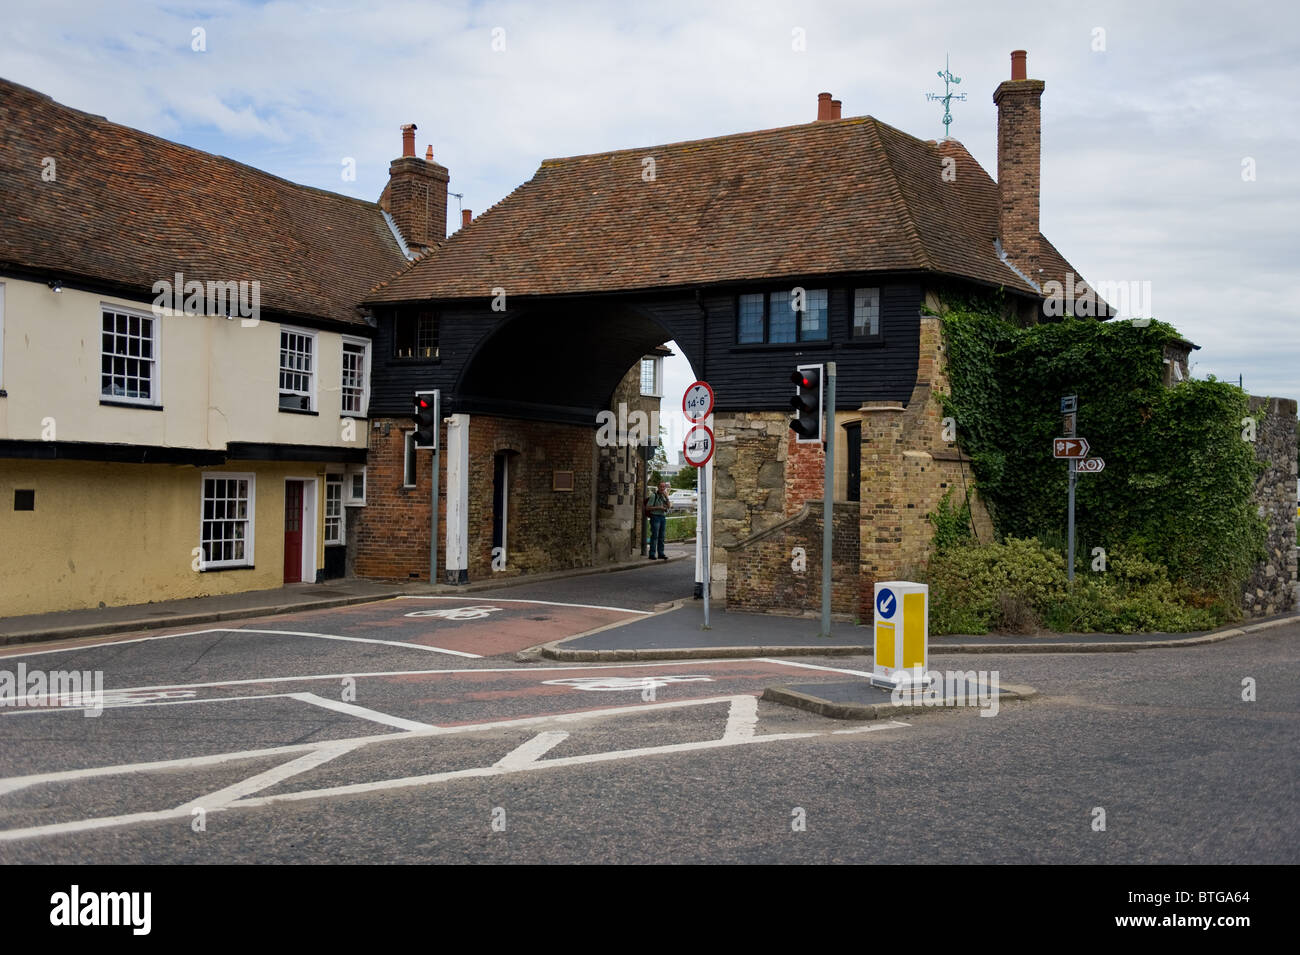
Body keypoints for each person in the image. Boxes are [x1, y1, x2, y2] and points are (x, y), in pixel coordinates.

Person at [645, 481, 671, 559]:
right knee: (655, 536)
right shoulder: (653, 496)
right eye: (661, 487)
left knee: (662, 536)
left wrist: (666, 497)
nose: (662, 488)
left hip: (662, 517)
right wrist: (659, 507)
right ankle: (652, 554)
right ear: (658, 487)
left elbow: (669, 506)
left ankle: (661, 553)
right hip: (655, 517)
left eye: (664, 487)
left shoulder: (664, 496)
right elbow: (647, 507)